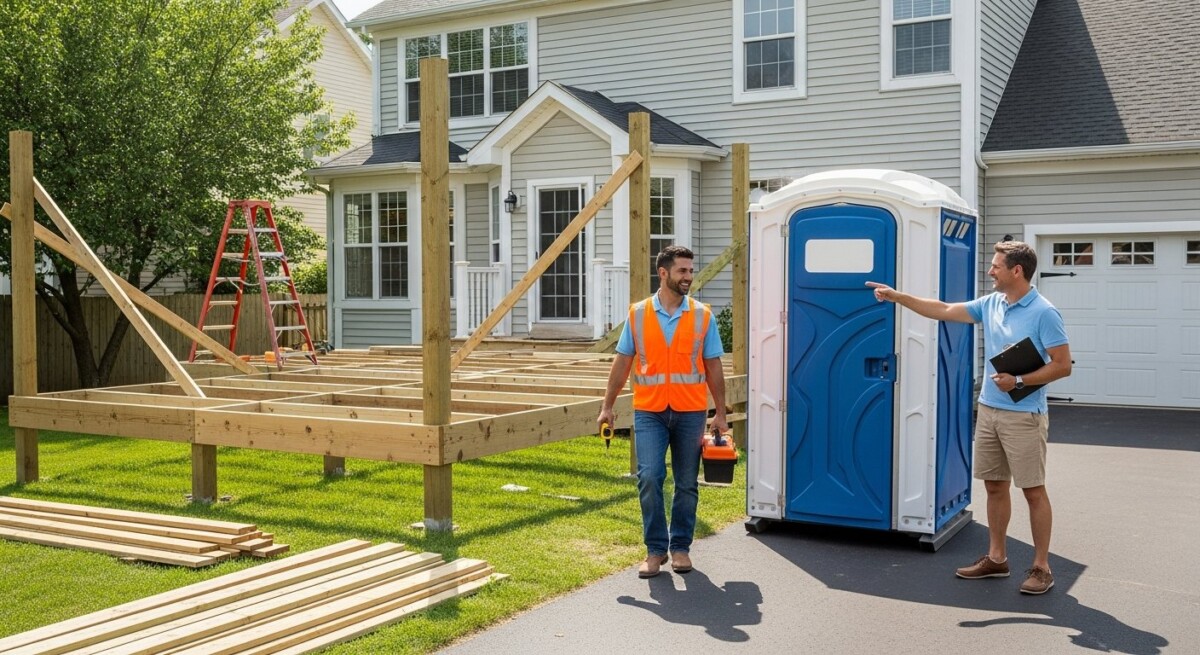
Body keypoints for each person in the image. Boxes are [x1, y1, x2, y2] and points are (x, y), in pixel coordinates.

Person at [866, 239, 1071, 595]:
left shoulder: (1044, 313)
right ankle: (997, 558)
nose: (990, 270)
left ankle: (1041, 567)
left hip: (1024, 416)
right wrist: (899, 297)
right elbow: (944, 309)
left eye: (996, 265)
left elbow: (1063, 366)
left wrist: (1020, 380)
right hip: (990, 409)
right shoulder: (991, 303)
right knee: (994, 485)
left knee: (1033, 491)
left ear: (1016, 271)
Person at [598, 245, 728, 579]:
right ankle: (655, 550)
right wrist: (607, 407)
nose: (689, 277)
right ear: (664, 273)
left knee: (686, 483)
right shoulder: (638, 314)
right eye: (682, 271)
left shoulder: (702, 315)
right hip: (650, 411)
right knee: (651, 476)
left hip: (690, 411)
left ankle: (680, 547)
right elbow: (623, 362)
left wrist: (721, 413)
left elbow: (713, 367)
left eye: (690, 270)